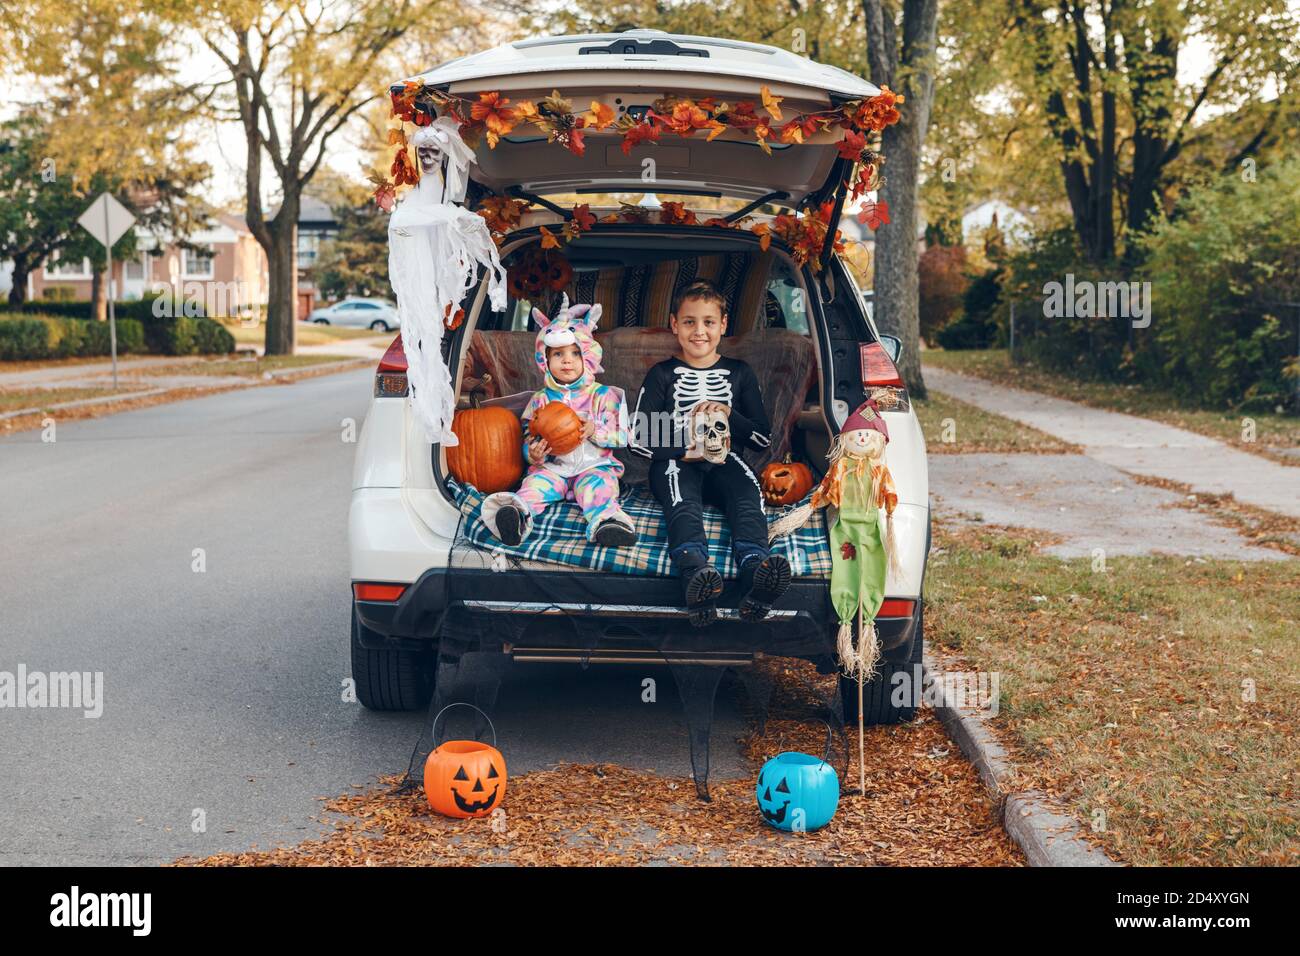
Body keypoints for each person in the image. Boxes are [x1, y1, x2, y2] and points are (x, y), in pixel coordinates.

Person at [631, 280, 791, 626]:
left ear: (723, 325)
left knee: (747, 493)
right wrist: (682, 449)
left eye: (708, 322)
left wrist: (730, 413)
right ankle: (694, 572)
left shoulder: (739, 373)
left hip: (723, 458)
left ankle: (755, 570)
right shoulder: (662, 374)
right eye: (689, 322)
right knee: (682, 500)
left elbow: (763, 438)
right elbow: (639, 437)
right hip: (676, 460)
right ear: (674, 324)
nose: (699, 331)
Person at [480, 296, 637, 548]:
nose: (567, 360)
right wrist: (533, 454)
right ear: (545, 360)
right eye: (558, 354)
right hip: (553, 469)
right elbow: (527, 437)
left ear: (587, 356)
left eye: (575, 353)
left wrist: (595, 430)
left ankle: (608, 523)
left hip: (593, 467)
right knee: (533, 486)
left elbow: (623, 435)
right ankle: (516, 516)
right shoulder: (540, 401)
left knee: (600, 490)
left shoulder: (602, 395)